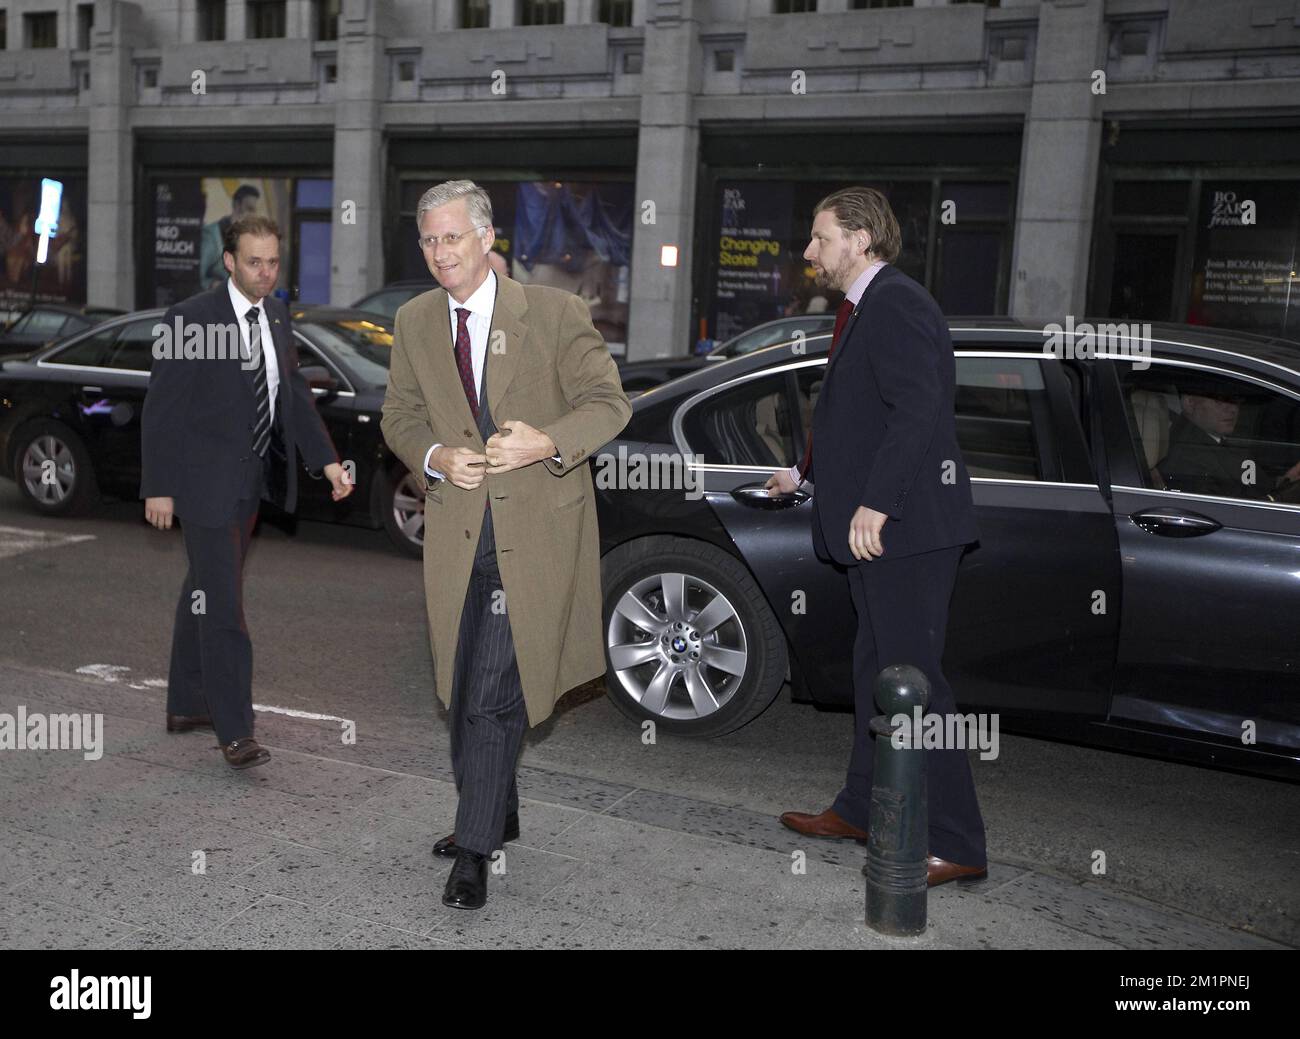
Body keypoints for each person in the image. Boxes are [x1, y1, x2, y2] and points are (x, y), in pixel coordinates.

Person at [380, 180, 630, 911]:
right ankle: (497, 809)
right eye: (428, 239)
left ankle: (474, 849)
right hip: (457, 537)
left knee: (491, 694)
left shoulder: (553, 312)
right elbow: (399, 414)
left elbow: (610, 403)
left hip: (535, 538)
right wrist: (432, 456)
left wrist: (546, 441)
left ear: (488, 239)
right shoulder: (415, 319)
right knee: (458, 688)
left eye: (452, 237)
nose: (439, 252)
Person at [767, 187, 987, 888]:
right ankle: (861, 807)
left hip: (908, 532)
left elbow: (917, 412)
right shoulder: (863, 307)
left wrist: (876, 505)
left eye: (819, 236)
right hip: (882, 530)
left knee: (917, 686)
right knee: (876, 674)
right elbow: (857, 419)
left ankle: (957, 841)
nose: (810, 252)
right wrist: (802, 475)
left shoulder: (896, 303)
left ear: (859, 239)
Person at [140, 214, 353, 770]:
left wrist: (327, 462)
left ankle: (186, 704)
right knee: (226, 608)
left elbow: (293, 398)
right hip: (202, 485)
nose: (266, 273)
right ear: (229, 261)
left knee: (205, 588)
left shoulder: (277, 315)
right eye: (254, 262)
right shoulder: (190, 319)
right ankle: (235, 731)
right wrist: (159, 489)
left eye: (273, 262)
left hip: (249, 485)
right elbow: (162, 410)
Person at [1158, 386, 1300, 500]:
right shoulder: (1187, 458)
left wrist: (1285, 481)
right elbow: (1230, 516)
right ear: (1190, 403)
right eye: (1219, 400)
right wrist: (1280, 496)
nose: (1232, 409)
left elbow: (1252, 482)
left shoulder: (1217, 440)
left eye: (1236, 400)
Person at [200, 184, 260, 290]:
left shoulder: (247, 237)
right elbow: (196, 277)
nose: (253, 215)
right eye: (250, 209)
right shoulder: (211, 236)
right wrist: (213, 284)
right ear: (236, 205)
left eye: (254, 211)